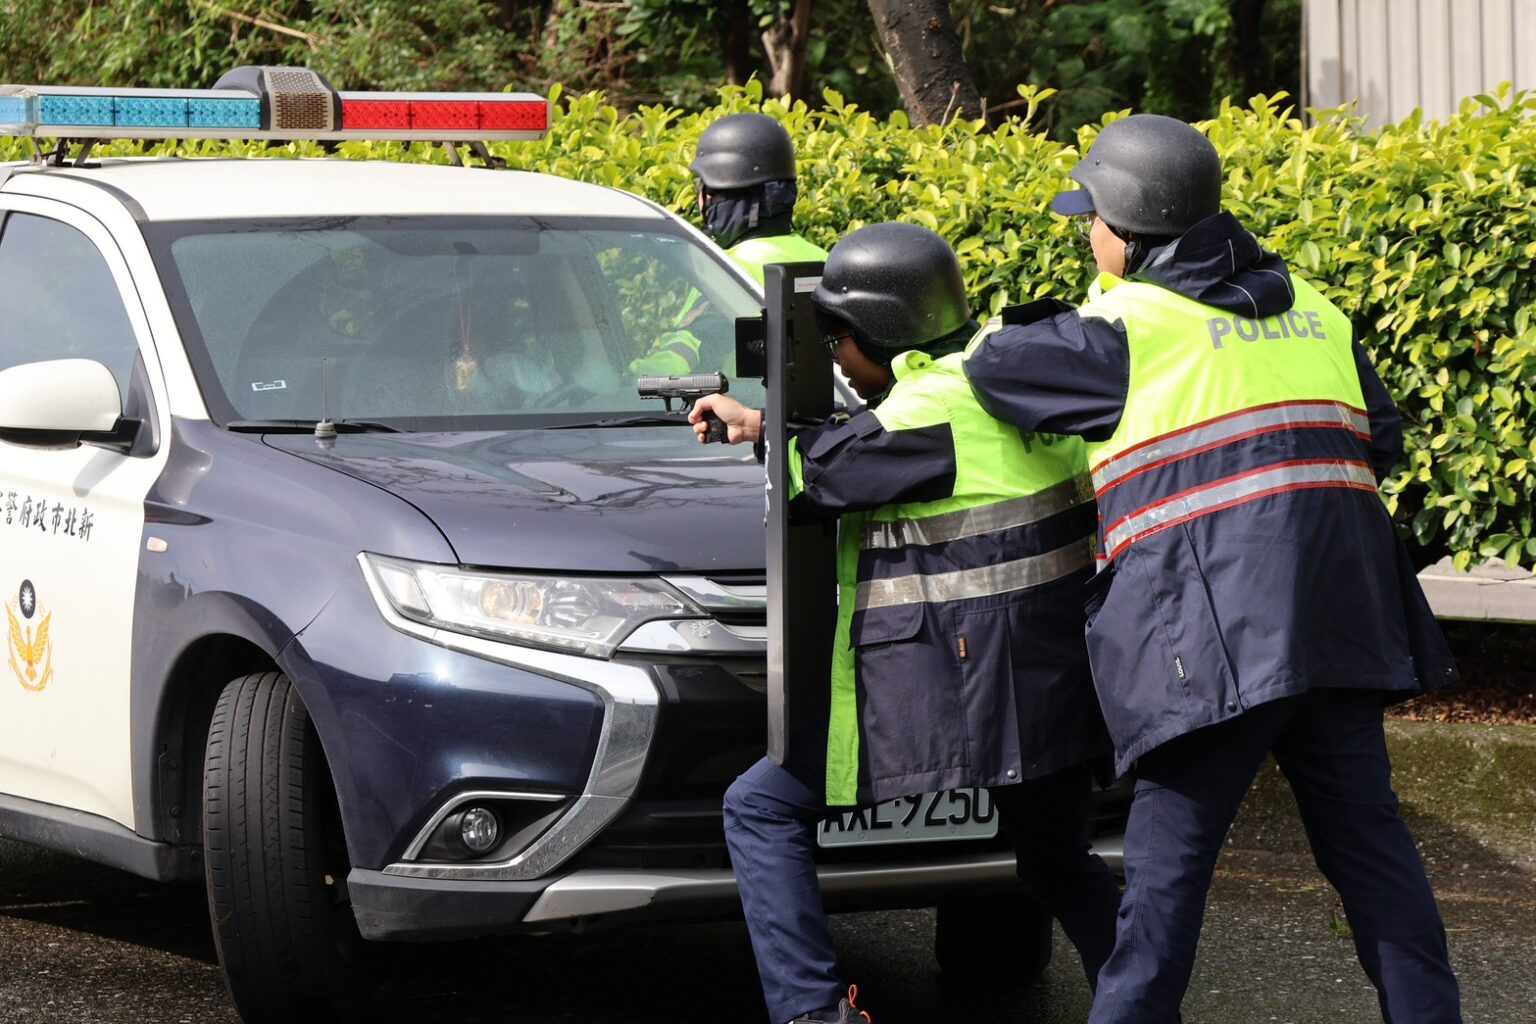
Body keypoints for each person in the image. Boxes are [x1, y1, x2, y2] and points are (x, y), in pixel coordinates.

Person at [964, 113, 1463, 1024]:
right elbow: (1378, 438)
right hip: (1341, 628)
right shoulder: (1316, 310)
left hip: (1215, 647)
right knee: (1372, 854)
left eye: (1091, 219)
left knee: (1165, 880)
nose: (1086, 233)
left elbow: (994, 371)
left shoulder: (1125, 329)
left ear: (1128, 226)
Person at [690, 222, 1122, 1024]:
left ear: (876, 334)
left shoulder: (932, 407)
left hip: (956, 680)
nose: (836, 359)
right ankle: (1144, 1005)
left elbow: (823, 473)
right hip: (1054, 682)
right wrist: (759, 422)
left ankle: (814, 1015)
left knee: (760, 807)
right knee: (1060, 859)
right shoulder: (1018, 374)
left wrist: (760, 433)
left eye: (838, 342)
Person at [629, 112, 827, 377]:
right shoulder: (824, 258)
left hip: (748, 401)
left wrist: (632, 378)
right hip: (832, 402)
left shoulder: (726, 267)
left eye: (702, 188)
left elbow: (689, 346)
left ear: (718, 197)